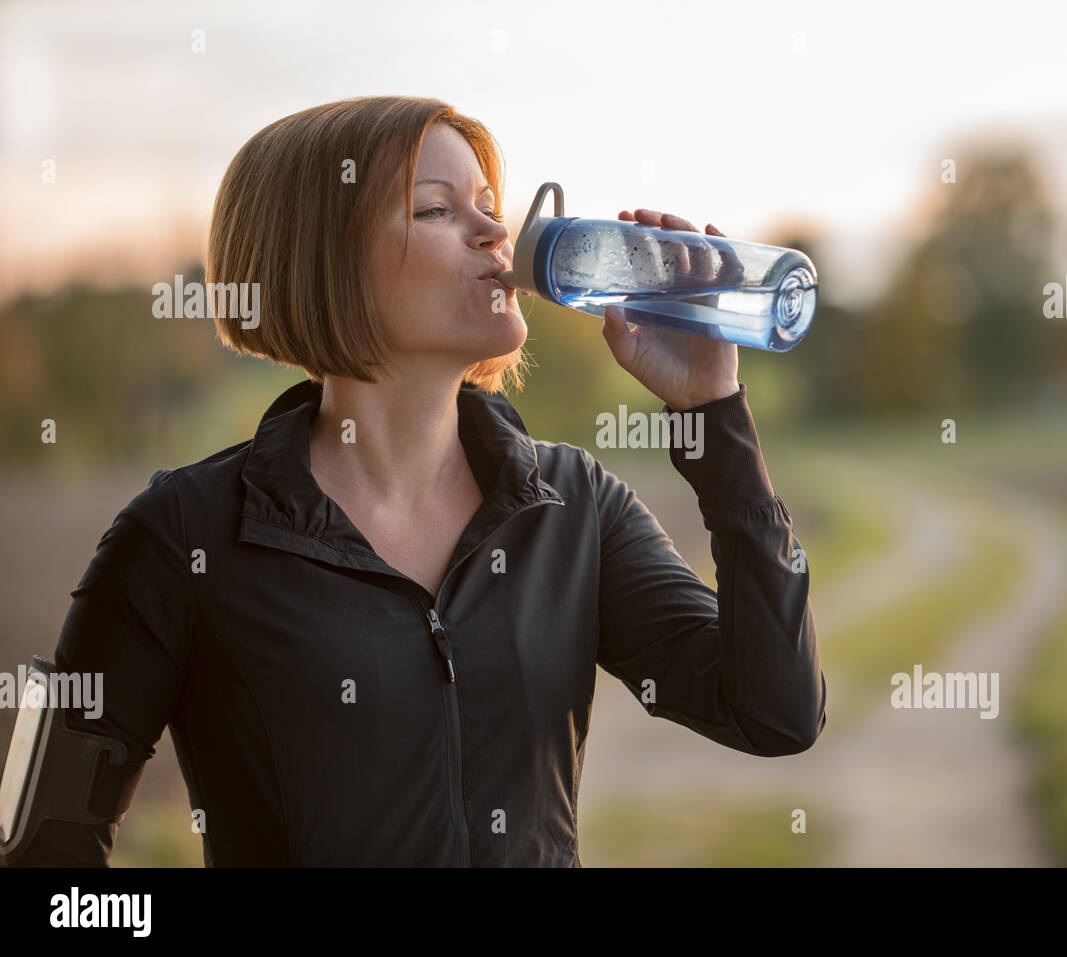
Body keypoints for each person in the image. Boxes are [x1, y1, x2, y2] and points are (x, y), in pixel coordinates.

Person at [0, 95, 826, 867]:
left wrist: (713, 409)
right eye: (436, 209)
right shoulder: (181, 536)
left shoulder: (575, 509)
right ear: (321, 259)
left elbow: (776, 711)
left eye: (489, 207)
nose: (493, 236)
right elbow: (46, 856)